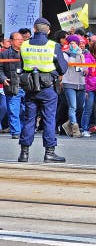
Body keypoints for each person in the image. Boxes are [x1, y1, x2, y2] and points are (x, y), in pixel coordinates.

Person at [17, 18, 68, 162]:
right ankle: (49, 153)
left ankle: (24, 153)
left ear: (34, 29)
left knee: (29, 120)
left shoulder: (25, 45)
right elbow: (63, 68)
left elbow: (22, 66)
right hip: (48, 88)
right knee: (49, 119)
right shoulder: (53, 45)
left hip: (30, 87)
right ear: (49, 31)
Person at [0, 32, 25, 138]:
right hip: (12, 85)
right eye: (17, 39)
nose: (20, 41)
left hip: (26, 86)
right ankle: (16, 132)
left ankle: (23, 130)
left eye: (22, 39)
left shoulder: (26, 53)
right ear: (11, 41)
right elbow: (0, 69)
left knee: (25, 110)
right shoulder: (4, 54)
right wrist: (3, 78)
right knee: (13, 110)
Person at [61, 34, 86, 138]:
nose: (73, 45)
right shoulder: (65, 54)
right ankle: (75, 129)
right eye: (71, 43)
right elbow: (69, 64)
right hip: (69, 82)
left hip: (81, 83)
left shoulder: (82, 54)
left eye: (75, 43)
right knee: (73, 107)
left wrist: (86, 70)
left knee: (80, 107)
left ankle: (68, 124)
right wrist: (73, 54)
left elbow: (83, 68)